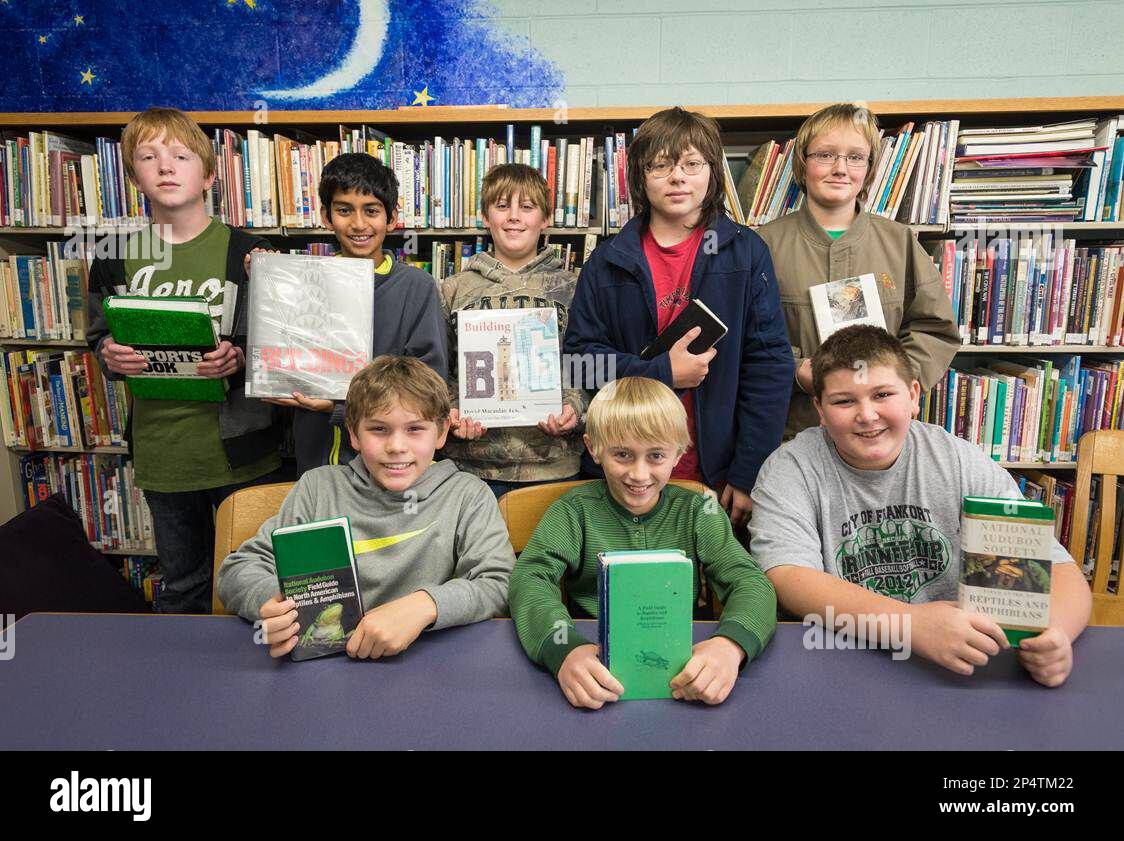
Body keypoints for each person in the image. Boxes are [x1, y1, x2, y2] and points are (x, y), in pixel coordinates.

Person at [750, 325, 1091, 686]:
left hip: (957, 667)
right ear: (820, 409)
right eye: (844, 401)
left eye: (882, 394)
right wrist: (909, 625)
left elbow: (1059, 571)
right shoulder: (791, 468)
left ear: (913, 395)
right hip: (838, 661)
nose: (866, 415)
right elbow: (787, 576)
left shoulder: (959, 461)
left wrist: (1056, 635)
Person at [87, 107, 282, 614]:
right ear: (134, 176)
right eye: (149, 157)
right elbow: (99, 334)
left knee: (258, 584)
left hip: (244, 454)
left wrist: (239, 357)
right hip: (163, 454)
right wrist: (108, 353)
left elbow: (281, 344)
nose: (166, 167)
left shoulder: (249, 251)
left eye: (180, 156)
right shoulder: (113, 256)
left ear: (210, 174)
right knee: (183, 586)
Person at [564, 106, 793, 531]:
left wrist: (748, 472)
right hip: (625, 473)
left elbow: (769, 367)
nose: (677, 177)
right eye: (661, 165)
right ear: (639, 176)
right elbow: (579, 361)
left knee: (711, 587)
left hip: (716, 472)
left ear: (712, 172)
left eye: (692, 164)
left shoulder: (745, 252)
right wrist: (660, 372)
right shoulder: (608, 260)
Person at [218, 355, 515, 659]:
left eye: (415, 429)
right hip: (325, 667)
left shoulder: (467, 495)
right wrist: (270, 602)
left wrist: (426, 605)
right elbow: (238, 570)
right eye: (379, 429)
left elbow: (499, 583)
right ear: (353, 434)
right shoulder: (318, 489)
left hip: (431, 666)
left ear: (441, 433)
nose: (397, 446)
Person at [508, 376, 777, 709]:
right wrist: (563, 649)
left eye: (656, 456)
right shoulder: (574, 511)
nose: (639, 474)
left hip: (684, 666)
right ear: (594, 448)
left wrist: (729, 646)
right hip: (593, 661)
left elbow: (751, 583)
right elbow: (529, 579)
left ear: (679, 453)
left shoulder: (699, 510)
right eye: (623, 454)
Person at [756, 103, 959, 438]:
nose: (840, 168)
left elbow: (934, 330)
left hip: (878, 433)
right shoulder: (762, 246)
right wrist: (793, 371)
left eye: (855, 157)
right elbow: (748, 339)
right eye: (825, 155)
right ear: (802, 163)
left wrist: (890, 381)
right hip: (790, 430)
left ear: (870, 167)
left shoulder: (900, 243)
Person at [270, 153, 447, 474]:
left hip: (394, 465)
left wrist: (340, 406)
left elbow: (428, 386)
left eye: (372, 211)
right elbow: (281, 362)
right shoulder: (302, 282)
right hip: (317, 461)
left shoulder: (416, 287)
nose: (359, 224)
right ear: (326, 216)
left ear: (391, 218)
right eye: (344, 210)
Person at [440, 163, 585, 498]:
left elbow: (591, 365)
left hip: (554, 464)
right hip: (471, 468)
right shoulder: (452, 290)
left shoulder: (574, 288)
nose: (514, 217)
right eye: (502, 206)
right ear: (485, 216)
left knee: (548, 553)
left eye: (527, 207)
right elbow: (436, 371)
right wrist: (452, 410)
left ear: (545, 218)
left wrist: (573, 408)